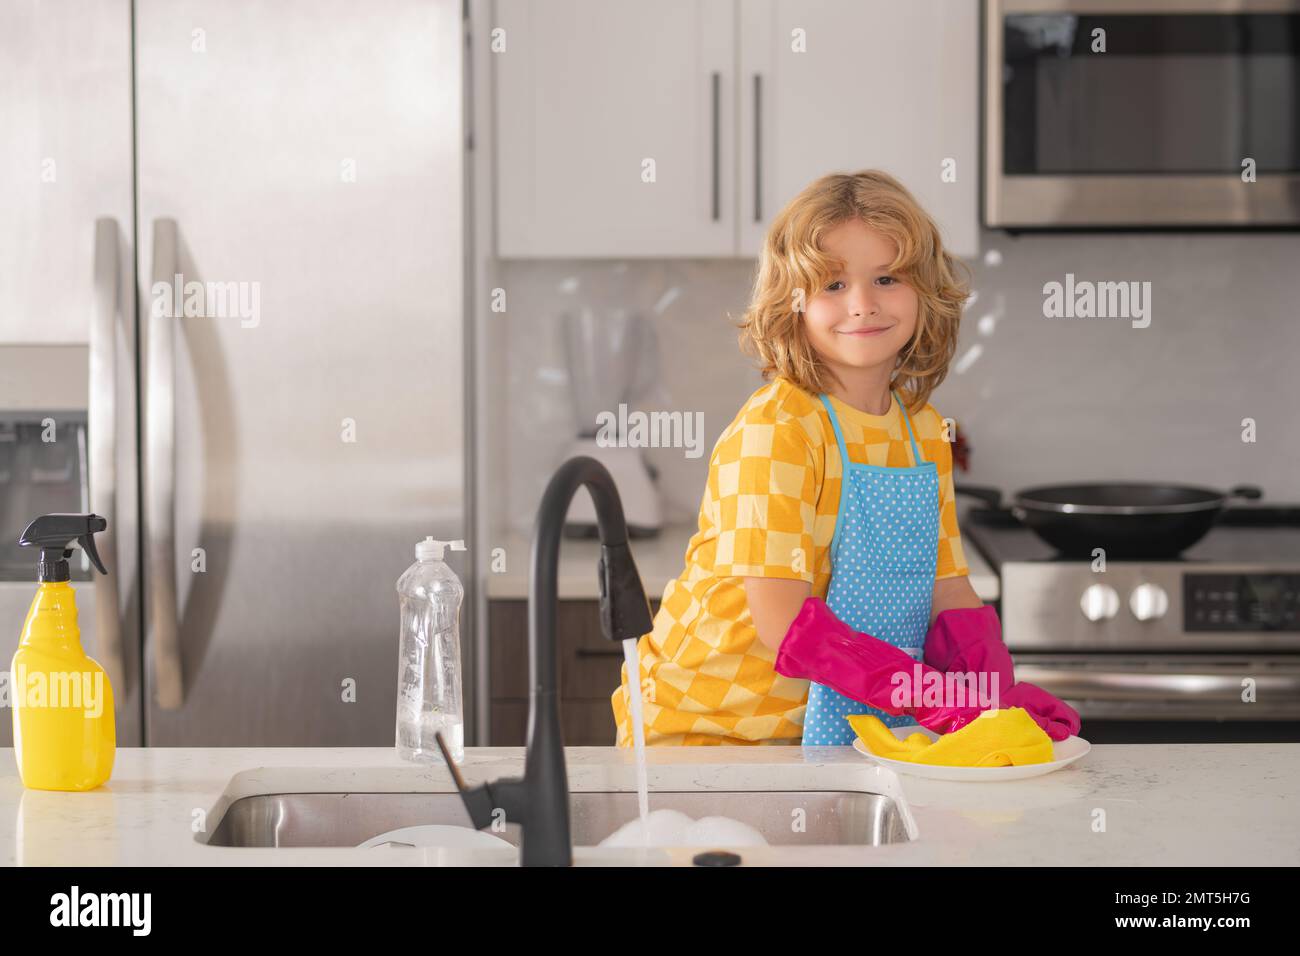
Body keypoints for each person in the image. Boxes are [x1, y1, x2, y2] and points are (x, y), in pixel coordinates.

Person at [610, 169, 1061, 747]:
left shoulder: (922, 429)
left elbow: (948, 592)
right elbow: (786, 626)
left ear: (926, 290)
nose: (863, 305)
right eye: (832, 285)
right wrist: (930, 697)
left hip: (840, 729)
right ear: (792, 301)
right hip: (710, 731)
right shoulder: (779, 429)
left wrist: (992, 704)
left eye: (887, 277)